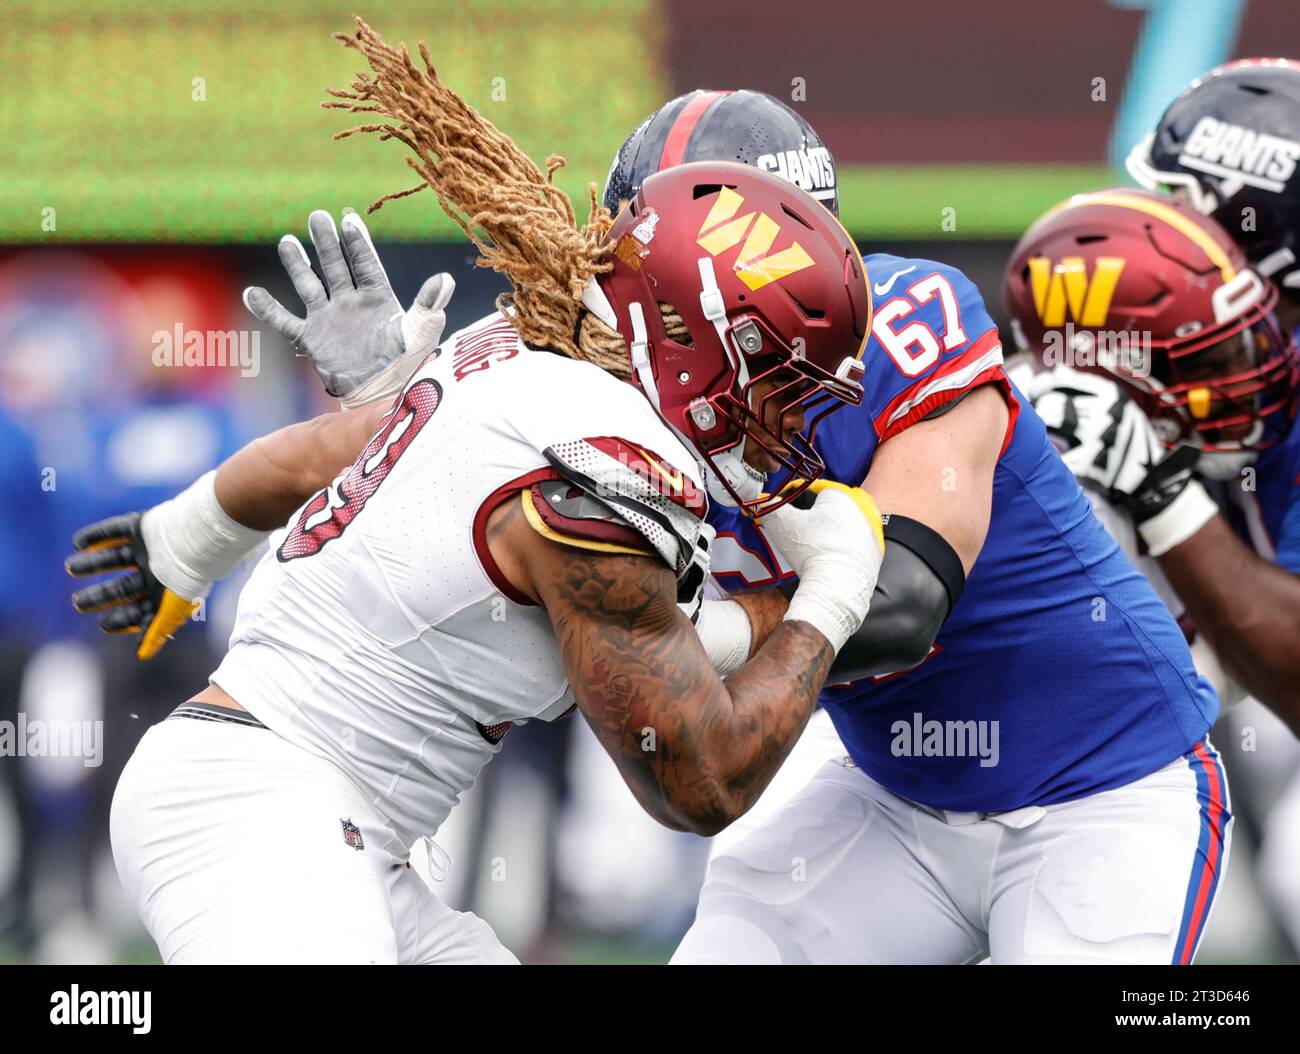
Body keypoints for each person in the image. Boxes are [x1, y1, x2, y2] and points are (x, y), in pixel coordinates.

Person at [67, 21, 881, 964]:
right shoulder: (602, 467)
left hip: (319, 820)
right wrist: (829, 600)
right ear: (697, 334)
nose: (785, 411)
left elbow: (309, 457)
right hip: (261, 817)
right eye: (773, 371)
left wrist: (183, 538)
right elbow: (698, 780)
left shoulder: (515, 350)